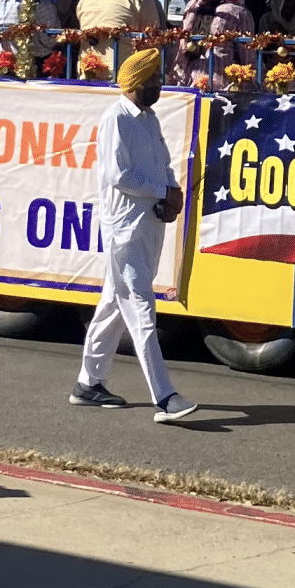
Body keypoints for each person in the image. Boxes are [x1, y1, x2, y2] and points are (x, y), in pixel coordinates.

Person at [70, 48, 198, 423]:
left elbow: (162, 163)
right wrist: (161, 191)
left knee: (113, 303)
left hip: (149, 223)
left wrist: (172, 192)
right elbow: (118, 176)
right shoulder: (116, 119)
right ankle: (165, 396)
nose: (158, 85)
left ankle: (87, 384)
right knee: (141, 308)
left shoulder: (149, 118)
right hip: (124, 229)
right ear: (134, 84)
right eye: (153, 81)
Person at [171, 0, 254, 87]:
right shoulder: (239, 12)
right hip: (223, 84)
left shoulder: (193, 5)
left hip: (188, 79)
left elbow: (181, 45)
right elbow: (247, 55)